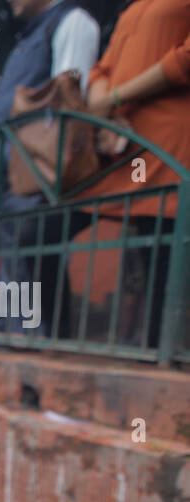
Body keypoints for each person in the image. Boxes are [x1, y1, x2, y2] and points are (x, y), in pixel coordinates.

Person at [0, 0, 101, 337]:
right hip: (13, 173)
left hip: (40, 168)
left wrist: (48, 160)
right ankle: (33, 339)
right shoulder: (28, 36)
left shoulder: (72, 22)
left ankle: (25, 341)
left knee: (27, 244)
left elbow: (69, 102)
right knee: (24, 253)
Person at [85, 0, 190, 350]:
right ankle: (39, 338)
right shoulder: (134, 7)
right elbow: (101, 68)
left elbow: (185, 59)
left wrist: (115, 97)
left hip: (168, 143)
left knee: (161, 246)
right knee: (47, 227)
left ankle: (160, 354)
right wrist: (103, 101)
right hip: (123, 146)